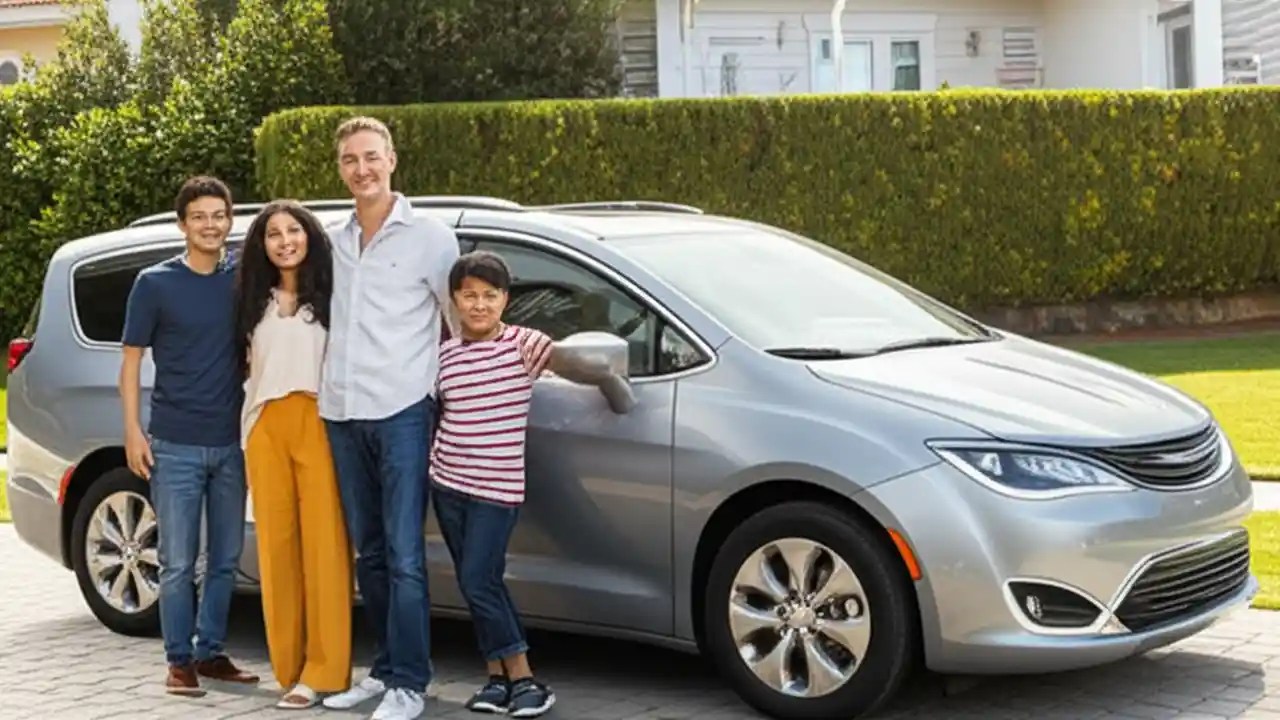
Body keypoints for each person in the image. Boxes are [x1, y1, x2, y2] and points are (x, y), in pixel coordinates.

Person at [431, 251, 626, 718]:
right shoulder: (444, 355)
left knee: (480, 579)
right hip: (447, 482)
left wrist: (619, 389)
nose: (479, 305)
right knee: (475, 581)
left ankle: (525, 678)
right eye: (469, 296)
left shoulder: (525, 345)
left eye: (489, 296)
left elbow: (582, 366)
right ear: (454, 300)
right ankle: (496, 679)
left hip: (496, 490)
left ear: (506, 300)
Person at [319, 116, 460, 720]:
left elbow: (457, 323)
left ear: (393, 159)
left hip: (403, 410)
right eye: (351, 160)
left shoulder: (431, 238)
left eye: (371, 157)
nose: (362, 169)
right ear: (341, 168)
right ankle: (383, 670)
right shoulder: (330, 239)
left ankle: (411, 683)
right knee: (369, 553)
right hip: (342, 411)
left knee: (404, 554)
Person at [119, 175, 259, 696]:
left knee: (224, 559)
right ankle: (179, 660)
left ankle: (212, 653)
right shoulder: (154, 284)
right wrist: (133, 431)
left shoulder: (241, 281)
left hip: (231, 443)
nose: (209, 225)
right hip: (173, 444)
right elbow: (130, 363)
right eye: (198, 216)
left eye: (218, 216)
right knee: (178, 562)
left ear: (229, 221)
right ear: (183, 224)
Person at [234, 200, 352, 710]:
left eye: (294, 231)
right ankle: (290, 667)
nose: (285, 241)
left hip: (318, 421)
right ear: (262, 245)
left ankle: (325, 671)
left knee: (325, 549)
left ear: (310, 237)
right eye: (273, 234)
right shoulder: (250, 301)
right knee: (276, 552)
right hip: (264, 428)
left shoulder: (332, 297)